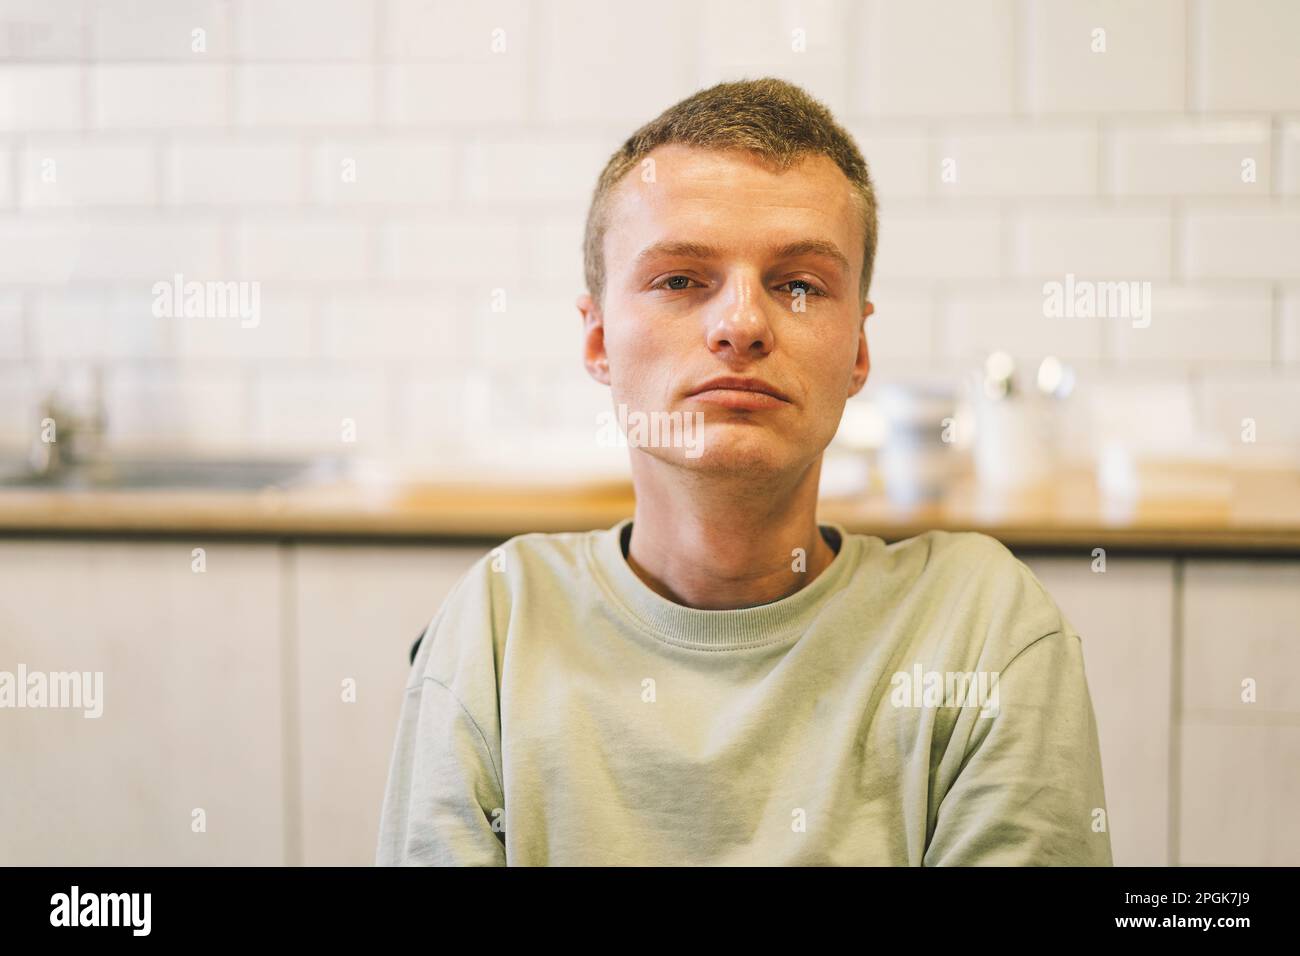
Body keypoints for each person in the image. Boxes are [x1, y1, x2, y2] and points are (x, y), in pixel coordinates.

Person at [376, 77, 1112, 866]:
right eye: (681, 281)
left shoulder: (981, 631)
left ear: (857, 350)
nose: (742, 324)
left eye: (799, 285)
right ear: (597, 343)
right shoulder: (498, 626)